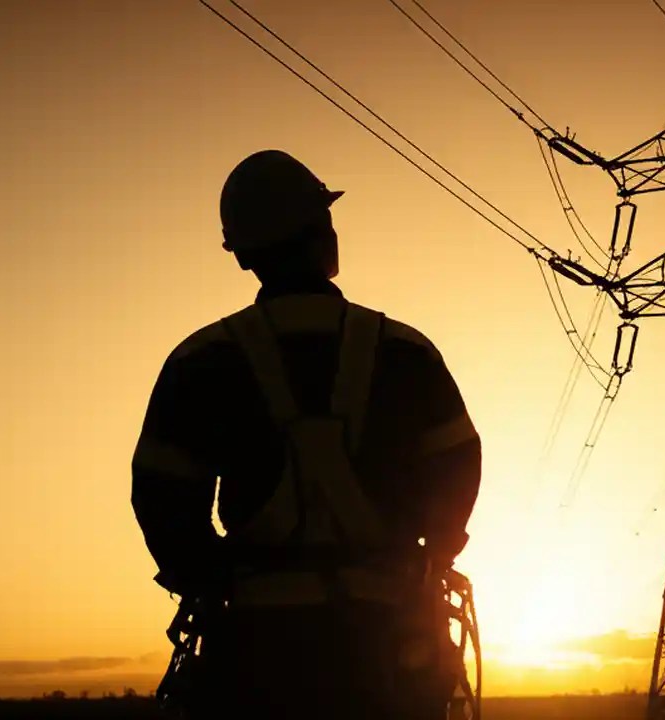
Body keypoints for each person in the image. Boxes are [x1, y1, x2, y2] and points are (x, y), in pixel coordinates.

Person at [131, 150, 482, 719]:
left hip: (256, 660)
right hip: (389, 655)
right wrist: (431, 550)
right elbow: (458, 464)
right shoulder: (405, 353)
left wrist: (210, 576)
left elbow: (161, 494)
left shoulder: (202, 362)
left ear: (242, 253)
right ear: (322, 233)